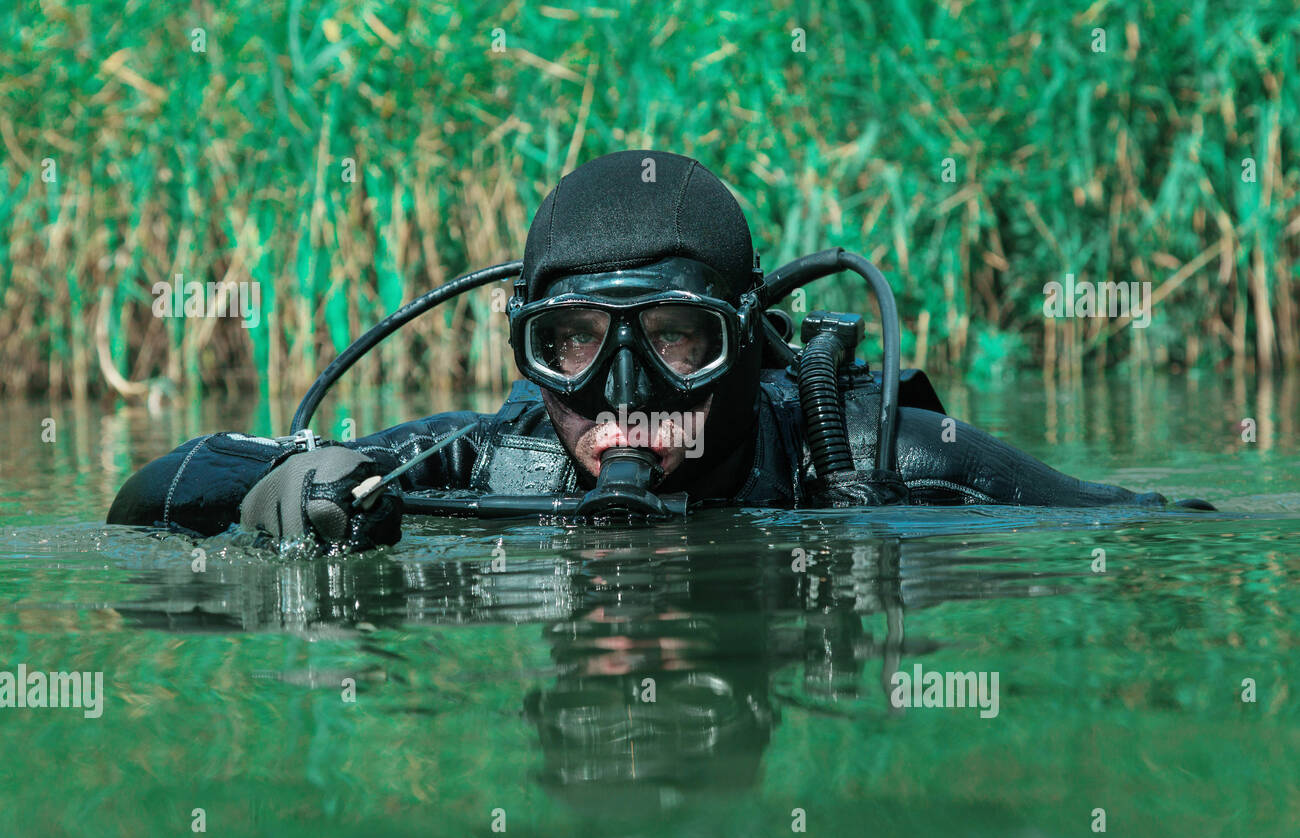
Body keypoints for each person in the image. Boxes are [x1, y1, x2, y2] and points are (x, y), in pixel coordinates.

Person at [107, 150, 1208, 551]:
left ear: (754, 343)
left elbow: (1153, 527)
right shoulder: (488, 460)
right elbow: (154, 491)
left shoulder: (888, 464)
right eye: (571, 345)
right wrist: (287, 486)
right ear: (527, 356)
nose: (621, 399)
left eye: (678, 339)